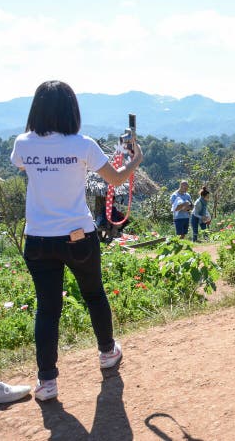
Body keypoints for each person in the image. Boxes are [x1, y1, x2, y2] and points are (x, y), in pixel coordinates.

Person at [10, 81, 143, 401]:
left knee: (47, 308)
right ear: (72, 110)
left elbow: (21, 164)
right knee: (94, 294)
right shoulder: (83, 144)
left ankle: (47, 381)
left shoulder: (23, 144)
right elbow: (114, 178)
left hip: (38, 240)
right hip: (78, 236)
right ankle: (108, 352)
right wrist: (135, 160)